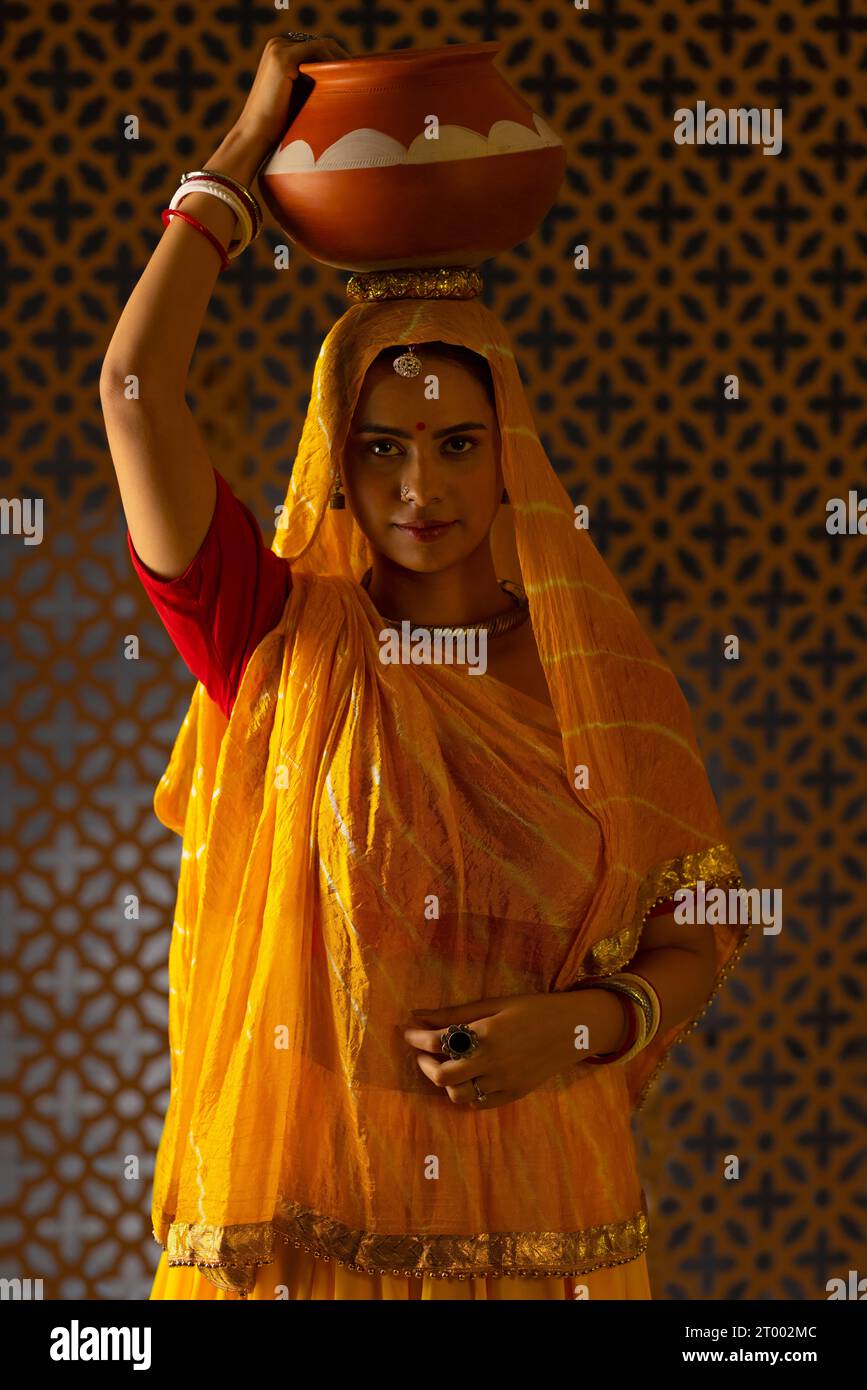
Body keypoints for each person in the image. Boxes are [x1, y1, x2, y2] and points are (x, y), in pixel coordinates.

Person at [100, 38, 751, 1302]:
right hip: (309, 1228)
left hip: (553, 1222)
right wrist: (234, 169)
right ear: (333, 464)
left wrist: (574, 1026)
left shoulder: (595, 667)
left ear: (512, 452)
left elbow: (705, 930)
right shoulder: (272, 634)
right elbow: (134, 390)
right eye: (383, 445)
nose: (420, 486)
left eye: (457, 442)